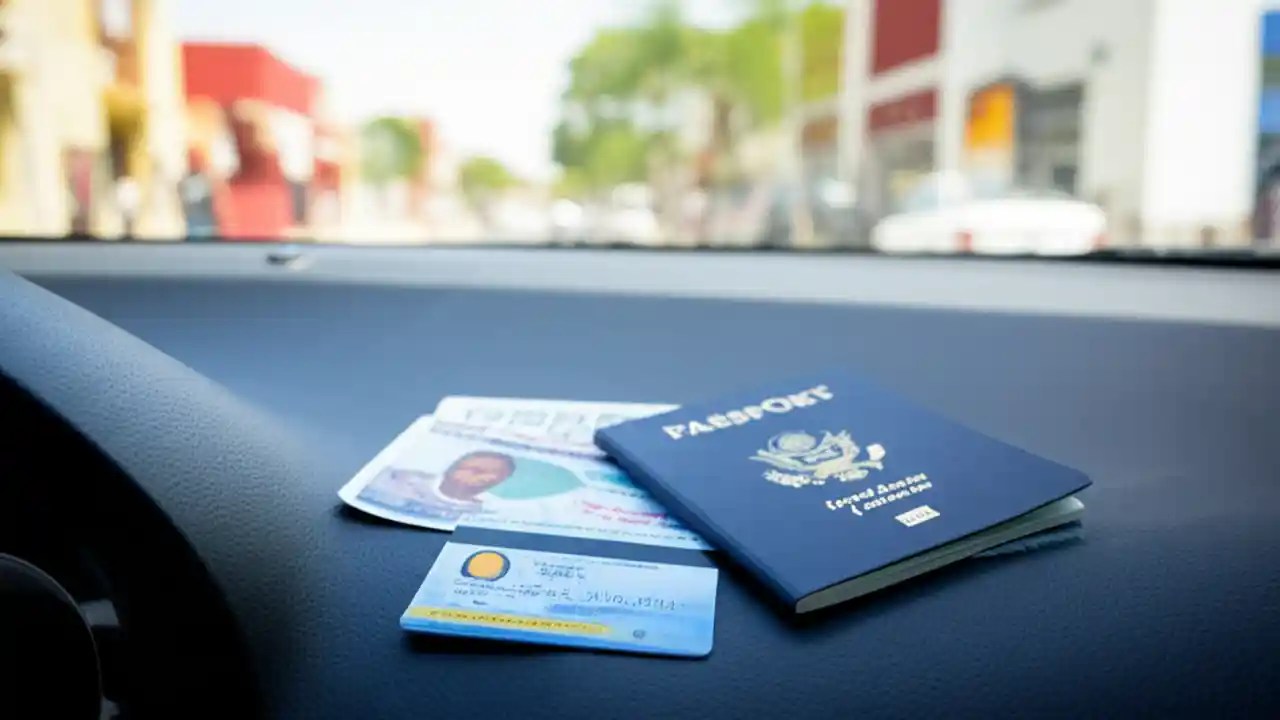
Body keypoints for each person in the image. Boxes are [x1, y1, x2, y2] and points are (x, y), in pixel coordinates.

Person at [357, 450, 516, 521]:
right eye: (474, 470)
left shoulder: (490, 512)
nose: (485, 478)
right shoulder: (395, 478)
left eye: (496, 476)